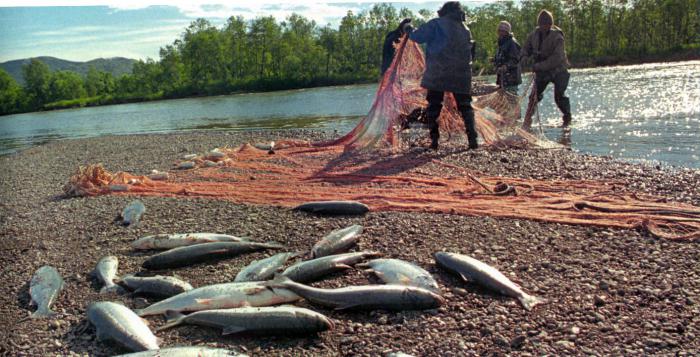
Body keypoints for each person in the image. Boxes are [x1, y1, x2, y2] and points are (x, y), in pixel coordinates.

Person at [403, 1, 477, 150]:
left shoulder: (436, 24)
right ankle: (473, 141)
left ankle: (434, 141)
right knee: (465, 107)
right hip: (462, 74)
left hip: (438, 72)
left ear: (443, 11)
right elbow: (471, 52)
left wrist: (408, 29)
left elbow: (417, 36)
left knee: (434, 106)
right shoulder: (465, 28)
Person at [520, 9, 572, 128]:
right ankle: (527, 122)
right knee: (534, 97)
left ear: (551, 24)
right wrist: (524, 57)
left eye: (547, 24)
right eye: (542, 23)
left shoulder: (557, 37)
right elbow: (525, 49)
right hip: (542, 72)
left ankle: (567, 118)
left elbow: (557, 57)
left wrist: (539, 66)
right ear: (539, 24)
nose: (544, 26)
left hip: (559, 70)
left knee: (559, 96)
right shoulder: (533, 35)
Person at [493, 21, 522, 94]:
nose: (500, 33)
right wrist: (494, 60)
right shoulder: (502, 42)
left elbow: (516, 59)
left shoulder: (512, 42)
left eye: (503, 31)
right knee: (502, 100)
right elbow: (503, 57)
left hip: (511, 79)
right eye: (499, 30)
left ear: (507, 32)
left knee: (511, 100)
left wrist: (505, 66)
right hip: (503, 78)